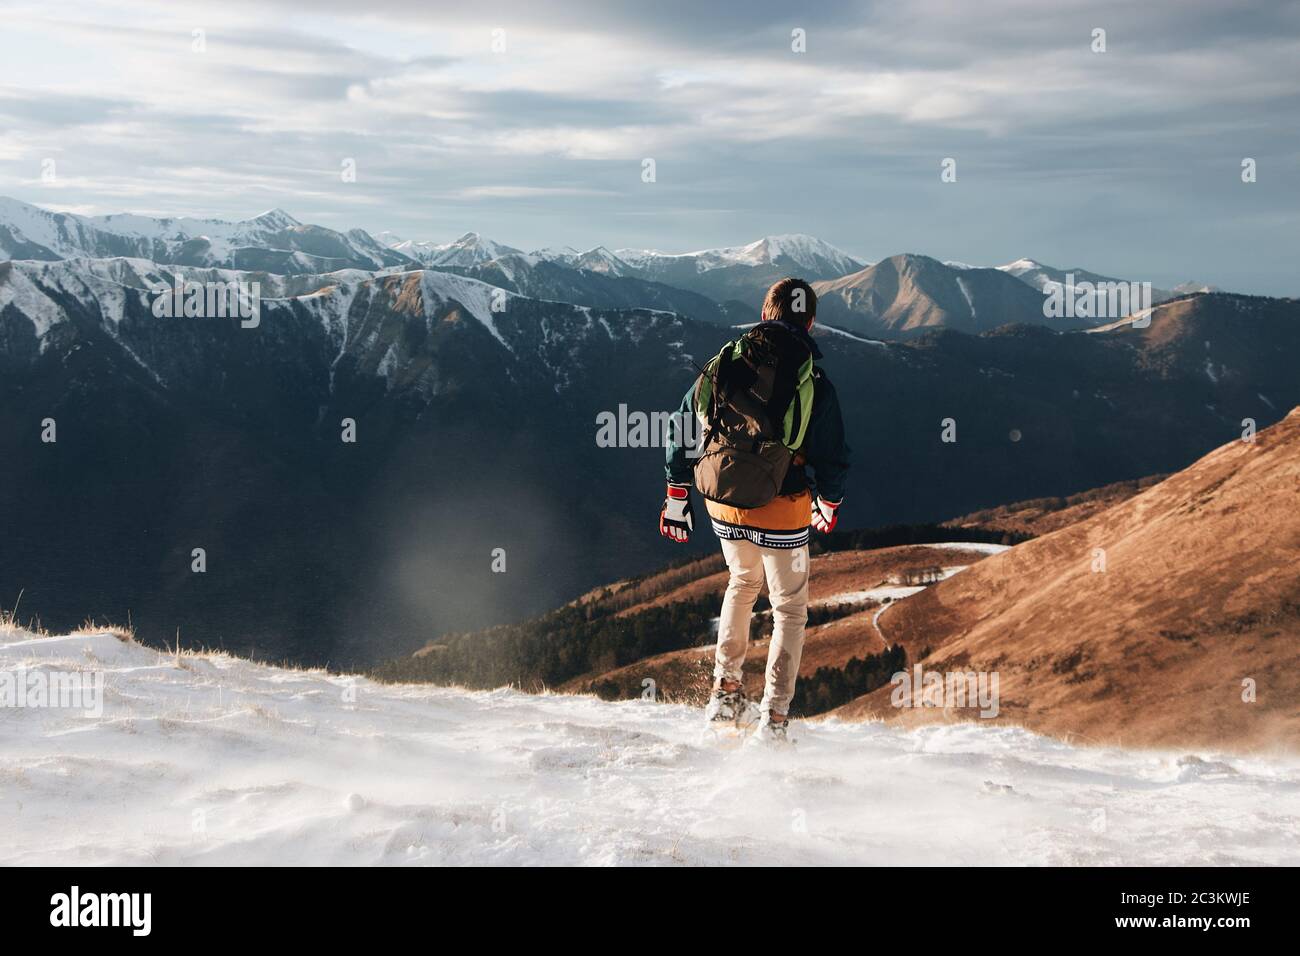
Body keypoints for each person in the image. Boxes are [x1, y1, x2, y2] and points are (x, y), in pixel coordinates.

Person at [660, 277, 850, 743]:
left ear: (765, 312)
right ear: (810, 322)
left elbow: (683, 421)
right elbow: (833, 454)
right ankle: (775, 720)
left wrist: (676, 492)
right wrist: (829, 501)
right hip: (782, 507)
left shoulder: (726, 361)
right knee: (788, 609)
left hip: (721, 500)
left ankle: (725, 696)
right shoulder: (813, 379)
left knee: (741, 583)